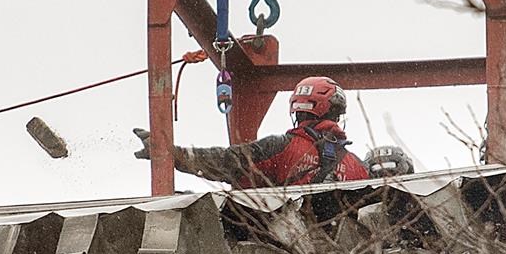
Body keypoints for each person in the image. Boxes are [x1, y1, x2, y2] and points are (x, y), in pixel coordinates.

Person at [133, 76, 369, 188]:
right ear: (337, 112)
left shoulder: (281, 148)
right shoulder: (358, 167)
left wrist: (170, 153)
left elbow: (225, 162)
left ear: (297, 111)